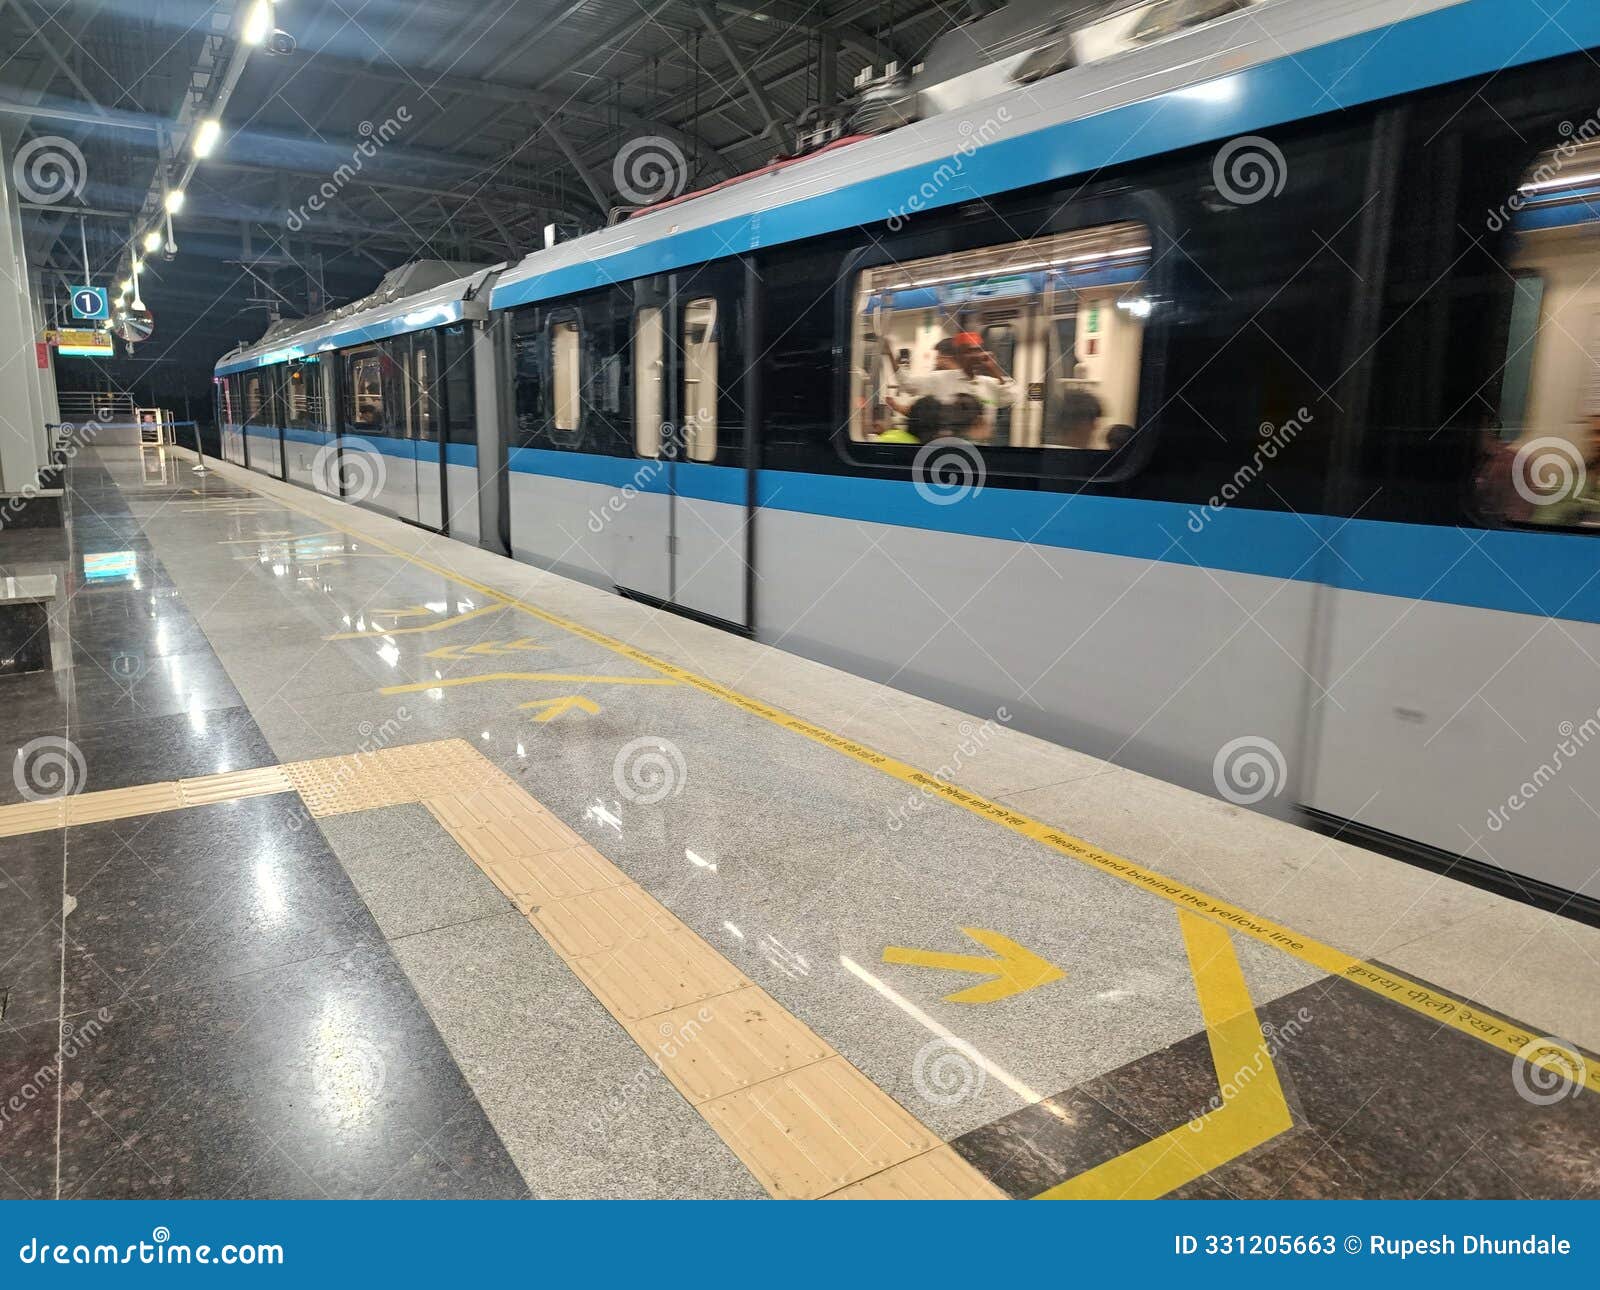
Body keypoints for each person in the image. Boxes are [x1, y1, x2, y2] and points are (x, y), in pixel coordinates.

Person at [892, 334, 1019, 441]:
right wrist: (889, 355)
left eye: (977, 351)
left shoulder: (988, 383)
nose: (974, 355)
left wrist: (994, 369)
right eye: (969, 351)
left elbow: (1012, 397)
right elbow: (907, 384)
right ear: (958, 356)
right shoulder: (940, 379)